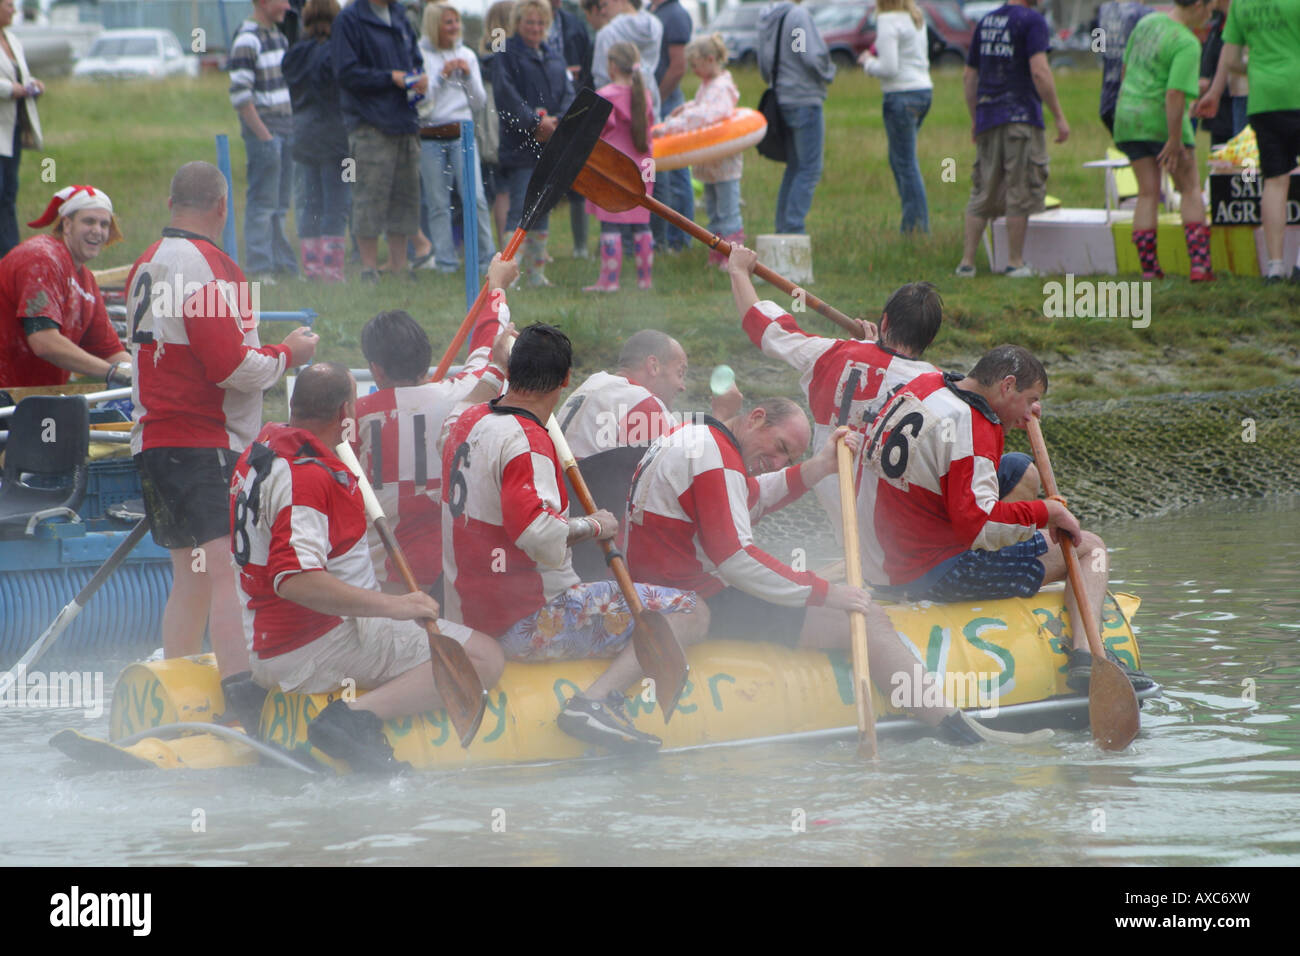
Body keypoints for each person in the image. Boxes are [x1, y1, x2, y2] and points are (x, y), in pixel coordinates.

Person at [624, 397, 1038, 745]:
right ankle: (954, 729)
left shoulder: (694, 436)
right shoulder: (716, 454)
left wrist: (820, 466)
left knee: (831, 587)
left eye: (789, 456)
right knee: (864, 613)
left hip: (666, 587)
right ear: (755, 418)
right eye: (781, 446)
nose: (778, 461)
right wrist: (826, 593)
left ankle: (942, 718)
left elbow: (754, 495)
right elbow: (737, 558)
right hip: (699, 598)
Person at [441, 323, 708, 752]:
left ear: (513, 372)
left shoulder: (463, 421)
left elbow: (467, 401)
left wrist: (496, 359)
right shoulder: (528, 442)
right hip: (524, 621)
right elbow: (538, 535)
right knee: (693, 610)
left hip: (465, 608)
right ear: (565, 381)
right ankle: (595, 702)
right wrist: (594, 525)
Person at [232, 362, 504, 772]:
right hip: (312, 645)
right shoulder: (305, 477)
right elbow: (296, 580)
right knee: (485, 657)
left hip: (269, 637)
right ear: (346, 412)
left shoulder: (261, 451)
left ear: (294, 406)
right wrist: (395, 608)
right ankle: (353, 719)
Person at [127, 162, 318, 704]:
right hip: (201, 441)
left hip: (153, 443)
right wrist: (289, 354)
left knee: (188, 575)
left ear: (171, 203)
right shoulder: (209, 265)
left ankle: (177, 688)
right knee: (225, 573)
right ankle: (242, 695)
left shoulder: (145, 263)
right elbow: (230, 367)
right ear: (222, 206)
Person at [858, 345, 1152, 694]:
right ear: (1007, 385)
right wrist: (1048, 512)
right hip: (928, 573)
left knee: (1019, 468)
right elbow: (978, 526)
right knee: (1091, 547)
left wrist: (1014, 416)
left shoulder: (925, 384)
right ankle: (1088, 659)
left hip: (881, 552)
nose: (1032, 412)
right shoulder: (972, 425)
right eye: (1030, 400)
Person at [727, 243, 939, 540]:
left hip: (839, 508)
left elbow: (768, 331)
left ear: (885, 321)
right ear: (928, 339)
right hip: (901, 533)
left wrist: (738, 271)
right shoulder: (935, 384)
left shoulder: (832, 353)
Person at [353, 254, 517, 594]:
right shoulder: (463, 393)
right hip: (457, 577)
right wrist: (497, 287)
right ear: (426, 359)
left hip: (383, 582)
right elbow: (492, 342)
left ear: (376, 369)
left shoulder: (354, 415)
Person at [954, 0, 1069, 278]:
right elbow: (1039, 71)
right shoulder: (1032, 21)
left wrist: (975, 118)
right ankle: (1015, 263)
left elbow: (969, 76)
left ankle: (967, 263)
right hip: (1021, 118)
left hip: (988, 116)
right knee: (1020, 188)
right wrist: (1058, 116)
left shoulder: (986, 21)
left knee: (983, 189)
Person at [1196, 0, 1300, 283]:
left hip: (1263, 100)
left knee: (1275, 181)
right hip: (1297, 90)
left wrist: (1216, 93)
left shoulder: (1241, 3)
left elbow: (1229, 59)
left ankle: (1275, 267)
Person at [1113, 0, 1216, 281]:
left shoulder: (1146, 23)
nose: (1210, 16)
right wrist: (1174, 140)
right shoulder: (1186, 42)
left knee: (1147, 193)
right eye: (1210, 9)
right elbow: (1174, 94)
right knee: (1190, 188)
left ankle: (1149, 269)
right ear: (1197, 5)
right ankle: (1200, 266)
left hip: (1128, 118)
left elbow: (1125, 71)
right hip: (1161, 120)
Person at [332, 0, 428, 282]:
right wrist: (390, 78)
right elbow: (345, 72)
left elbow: (415, 58)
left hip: (405, 122)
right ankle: (368, 268)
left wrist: (419, 76)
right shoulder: (348, 19)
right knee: (369, 198)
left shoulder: (400, 14)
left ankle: (398, 265)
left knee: (406, 197)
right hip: (369, 124)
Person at [0, 185, 129, 388]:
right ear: (67, 225)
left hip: (27, 401)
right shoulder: (42, 259)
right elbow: (44, 342)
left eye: (104, 224)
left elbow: (109, 351)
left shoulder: (85, 280)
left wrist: (145, 379)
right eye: (89, 221)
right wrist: (112, 372)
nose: (98, 231)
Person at [557, 328, 741, 460]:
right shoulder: (639, 400)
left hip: (564, 497)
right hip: (587, 507)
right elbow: (696, 466)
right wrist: (722, 416)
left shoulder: (593, 383)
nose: (682, 386)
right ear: (653, 366)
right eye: (680, 373)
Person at [493, 0, 574, 286]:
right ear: (518, 22)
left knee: (543, 207)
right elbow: (505, 95)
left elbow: (568, 93)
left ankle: (536, 272)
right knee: (520, 209)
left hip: (550, 146)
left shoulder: (554, 54)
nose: (536, 28)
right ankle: (508, 276)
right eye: (530, 22)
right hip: (520, 147)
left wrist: (557, 122)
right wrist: (534, 123)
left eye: (541, 23)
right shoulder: (505, 53)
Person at [417, 2, 496, 275]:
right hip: (430, 136)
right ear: (434, 25)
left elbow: (479, 103)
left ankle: (487, 259)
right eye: (447, 22)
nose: (454, 27)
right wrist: (440, 77)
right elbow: (421, 103)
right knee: (438, 203)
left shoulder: (468, 54)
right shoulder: (420, 55)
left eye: (456, 22)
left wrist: (467, 77)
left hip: (462, 134)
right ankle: (446, 262)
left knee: (475, 197)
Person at [659, 34, 743, 267]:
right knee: (714, 212)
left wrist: (673, 125)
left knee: (727, 213)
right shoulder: (709, 85)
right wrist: (684, 108)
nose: (693, 71)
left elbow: (707, 115)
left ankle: (734, 258)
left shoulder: (721, 88)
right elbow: (699, 107)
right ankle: (717, 255)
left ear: (709, 59)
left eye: (695, 66)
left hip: (724, 164)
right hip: (711, 164)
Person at [229, 0, 298, 281]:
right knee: (262, 203)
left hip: (286, 129)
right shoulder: (247, 38)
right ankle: (259, 268)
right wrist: (265, 137)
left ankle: (281, 263)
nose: (288, 5)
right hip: (265, 132)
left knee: (281, 204)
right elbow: (240, 96)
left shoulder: (279, 36)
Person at [283, 0, 350, 282]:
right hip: (336, 137)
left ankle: (312, 269)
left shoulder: (295, 53)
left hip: (302, 135)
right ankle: (332, 270)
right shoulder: (337, 53)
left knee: (309, 202)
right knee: (335, 202)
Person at [584, 42, 657, 292]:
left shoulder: (606, 95)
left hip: (613, 166)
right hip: (644, 165)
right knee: (641, 221)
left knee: (610, 222)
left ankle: (609, 280)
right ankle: (644, 280)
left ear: (612, 65)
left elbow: (595, 130)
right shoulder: (645, 95)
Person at [758, 0, 835, 235]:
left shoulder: (767, 18)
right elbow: (808, 54)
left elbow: (763, 64)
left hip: (782, 99)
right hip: (803, 99)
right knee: (809, 169)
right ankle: (793, 229)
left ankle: (783, 229)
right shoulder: (798, 16)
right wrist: (828, 71)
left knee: (795, 167)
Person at [859, 0, 933, 234]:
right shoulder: (915, 17)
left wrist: (868, 63)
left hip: (901, 96)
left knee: (905, 164)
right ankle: (914, 223)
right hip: (923, 92)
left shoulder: (887, 20)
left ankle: (916, 228)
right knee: (901, 160)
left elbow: (889, 68)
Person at [548, 0, 593, 257]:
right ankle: (533, 251)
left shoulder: (574, 25)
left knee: (577, 176)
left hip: (573, 105)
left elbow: (588, 69)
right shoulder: (525, 22)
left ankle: (581, 247)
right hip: (541, 110)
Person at [650, 0, 694, 253]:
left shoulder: (675, 14)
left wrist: (656, 99)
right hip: (658, 104)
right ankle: (662, 237)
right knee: (660, 174)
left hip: (666, 104)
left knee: (676, 174)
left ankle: (680, 241)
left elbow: (678, 66)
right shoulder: (653, 11)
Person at [0, 0, 42, 259]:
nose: (13, 9)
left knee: (8, 192)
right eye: (8, 4)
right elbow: (8, 85)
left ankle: (10, 255)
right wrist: (11, 90)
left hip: (11, 129)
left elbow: (20, 77)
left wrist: (32, 85)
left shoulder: (13, 41)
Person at [479, 0, 516, 250]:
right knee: (506, 189)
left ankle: (507, 246)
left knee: (503, 190)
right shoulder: (502, 55)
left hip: (492, 130)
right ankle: (508, 247)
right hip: (504, 128)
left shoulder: (482, 56)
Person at [591, 0, 662, 117]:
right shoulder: (656, 26)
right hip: (651, 99)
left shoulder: (606, 34)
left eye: (605, 5)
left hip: (616, 111)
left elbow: (601, 78)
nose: (602, 12)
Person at [1096, 1, 1152, 136]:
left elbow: (1097, 48)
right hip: (1135, 97)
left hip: (1107, 95)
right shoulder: (1144, 14)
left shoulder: (1103, 10)